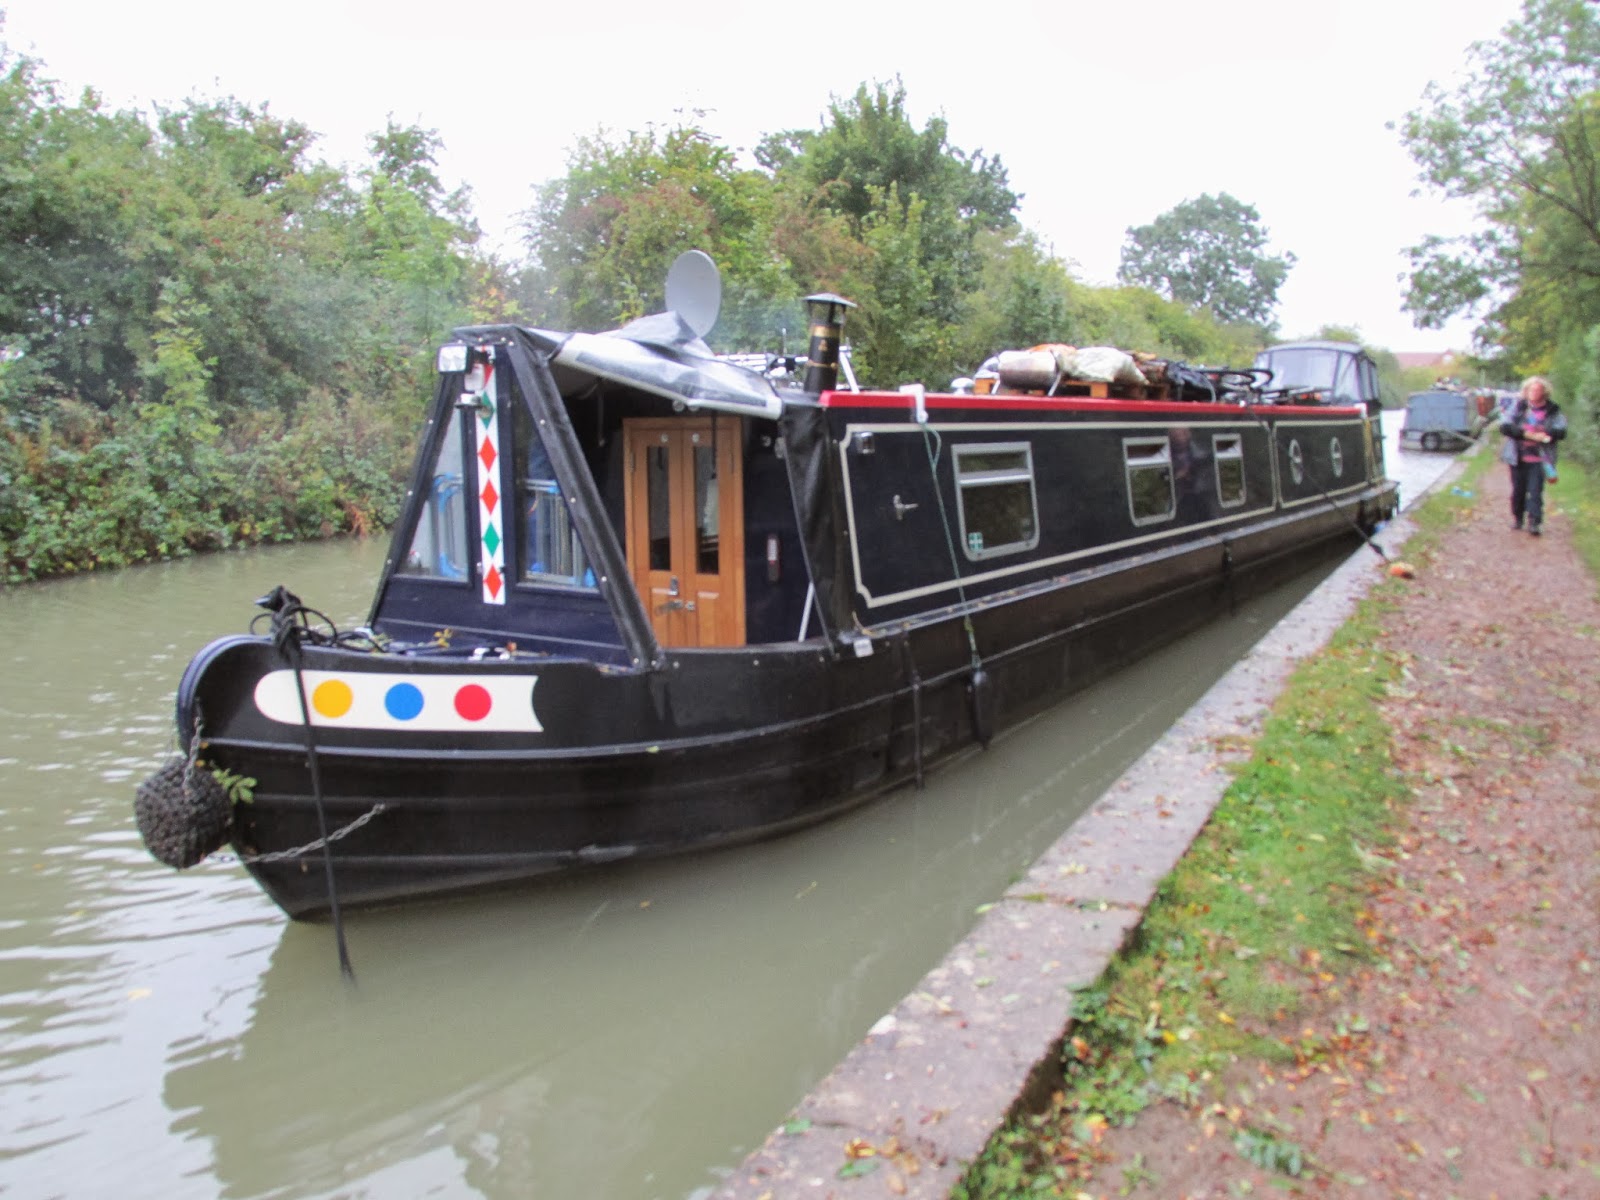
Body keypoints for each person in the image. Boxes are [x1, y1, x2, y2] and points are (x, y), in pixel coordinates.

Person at [1499, 376, 1567, 536]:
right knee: (1518, 490)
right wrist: (1525, 434)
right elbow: (1505, 426)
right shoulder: (1519, 407)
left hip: (1540, 458)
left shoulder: (1553, 410)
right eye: (1531, 389)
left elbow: (1561, 431)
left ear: (1544, 392)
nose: (1534, 393)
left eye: (1537, 390)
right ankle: (1518, 518)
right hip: (1518, 456)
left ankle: (1535, 522)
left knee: (1535, 491)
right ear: (1526, 391)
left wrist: (1545, 434)